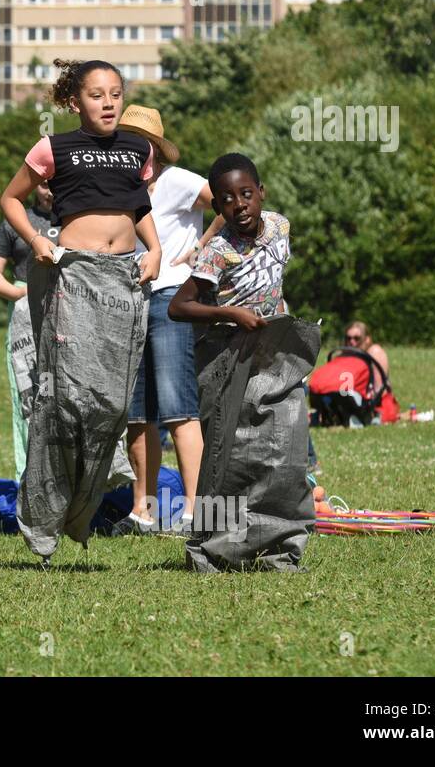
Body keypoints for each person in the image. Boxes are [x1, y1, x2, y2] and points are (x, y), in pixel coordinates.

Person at [0, 59, 161, 565]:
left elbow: (139, 209)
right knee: (67, 403)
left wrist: (153, 251)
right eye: (97, 94)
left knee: (113, 408)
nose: (109, 102)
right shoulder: (54, 148)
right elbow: (10, 199)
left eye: (116, 93)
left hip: (124, 278)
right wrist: (36, 241)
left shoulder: (140, 150)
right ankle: (42, 515)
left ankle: (79, 508)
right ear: (76, 102)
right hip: (73, 277)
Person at [168, 152, 319, 572]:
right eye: (228, 199)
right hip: (231, 354)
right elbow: (179, 308)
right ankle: (216, 547)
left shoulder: (280, 227)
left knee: (282, 449)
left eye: (247, 194)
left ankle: (279, 544)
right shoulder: (217, 252)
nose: (240, 205)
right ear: (217, 207)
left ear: (261, 193)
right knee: (231, 455)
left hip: (276, 351)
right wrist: (231, 313)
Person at [117, 105, 210, 536]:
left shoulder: (178, 181)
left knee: (178, 409)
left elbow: (231, 200)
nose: (134, 152)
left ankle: (195, 511)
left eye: (142, 145)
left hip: (171, 297)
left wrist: (202, 248)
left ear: (155, 149)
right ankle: (144, 510)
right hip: (129, 303)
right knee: (137, 416)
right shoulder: (119, 189)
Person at [0, 182, 59, 479]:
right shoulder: (16, 221)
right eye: (43, 184)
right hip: (26, 316)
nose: (49, 190)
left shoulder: (76, 217)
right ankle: (27, 477)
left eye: (56, 181)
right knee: (28, 395)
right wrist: (19, 294)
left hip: (68, 309)